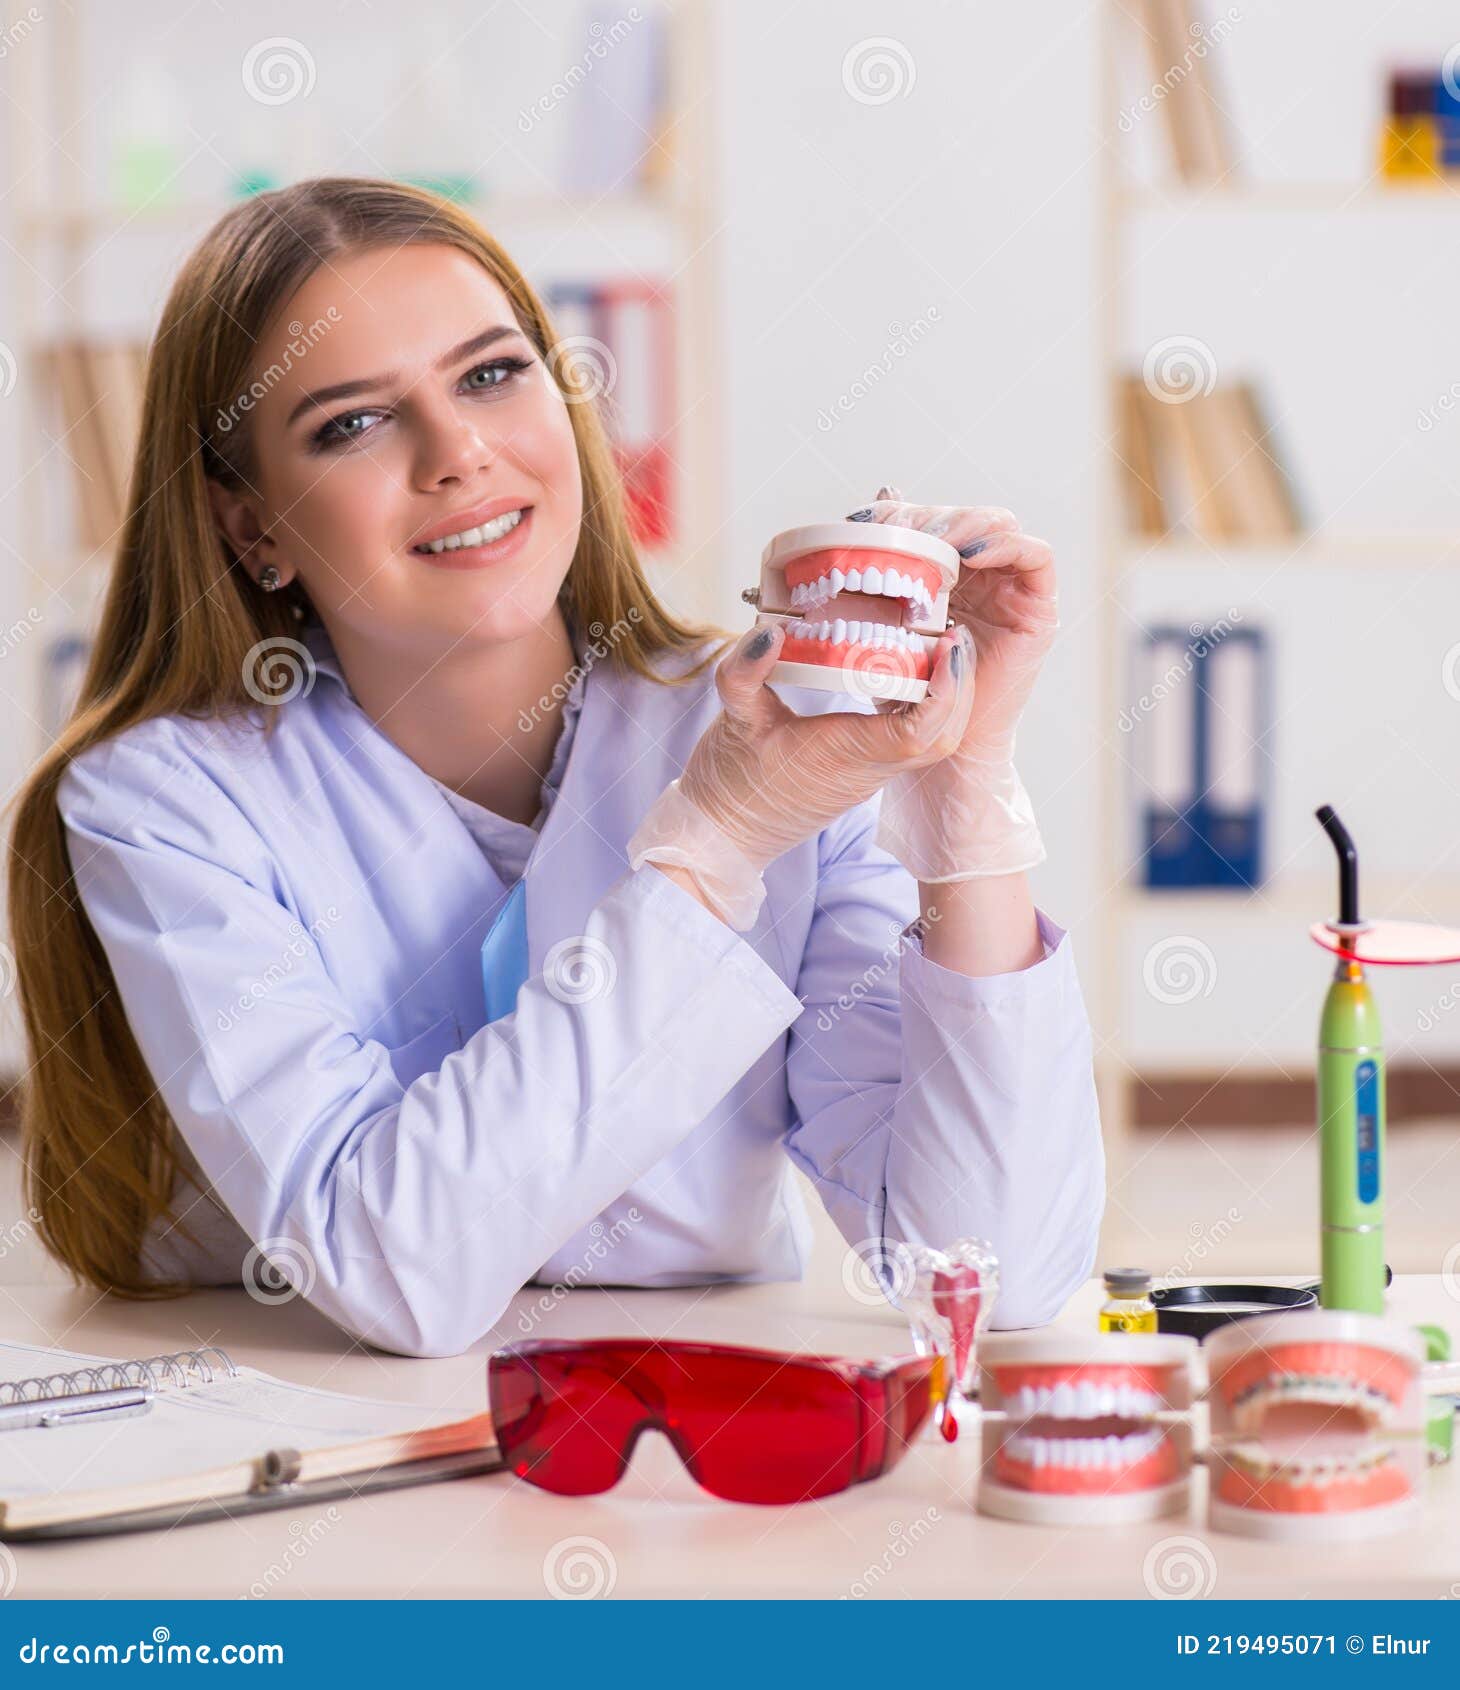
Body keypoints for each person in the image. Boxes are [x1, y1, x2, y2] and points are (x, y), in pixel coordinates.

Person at [4, 177, 1103, 1358]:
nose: (458, 454)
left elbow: (992, 1271)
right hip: (323, 1419)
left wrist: (960, 782)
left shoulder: (770, 733)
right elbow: (394, 1273)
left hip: (673, 1419)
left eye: (489, 374)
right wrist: (716, 844)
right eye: (351, 424)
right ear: (251, 525)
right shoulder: (162, 801)